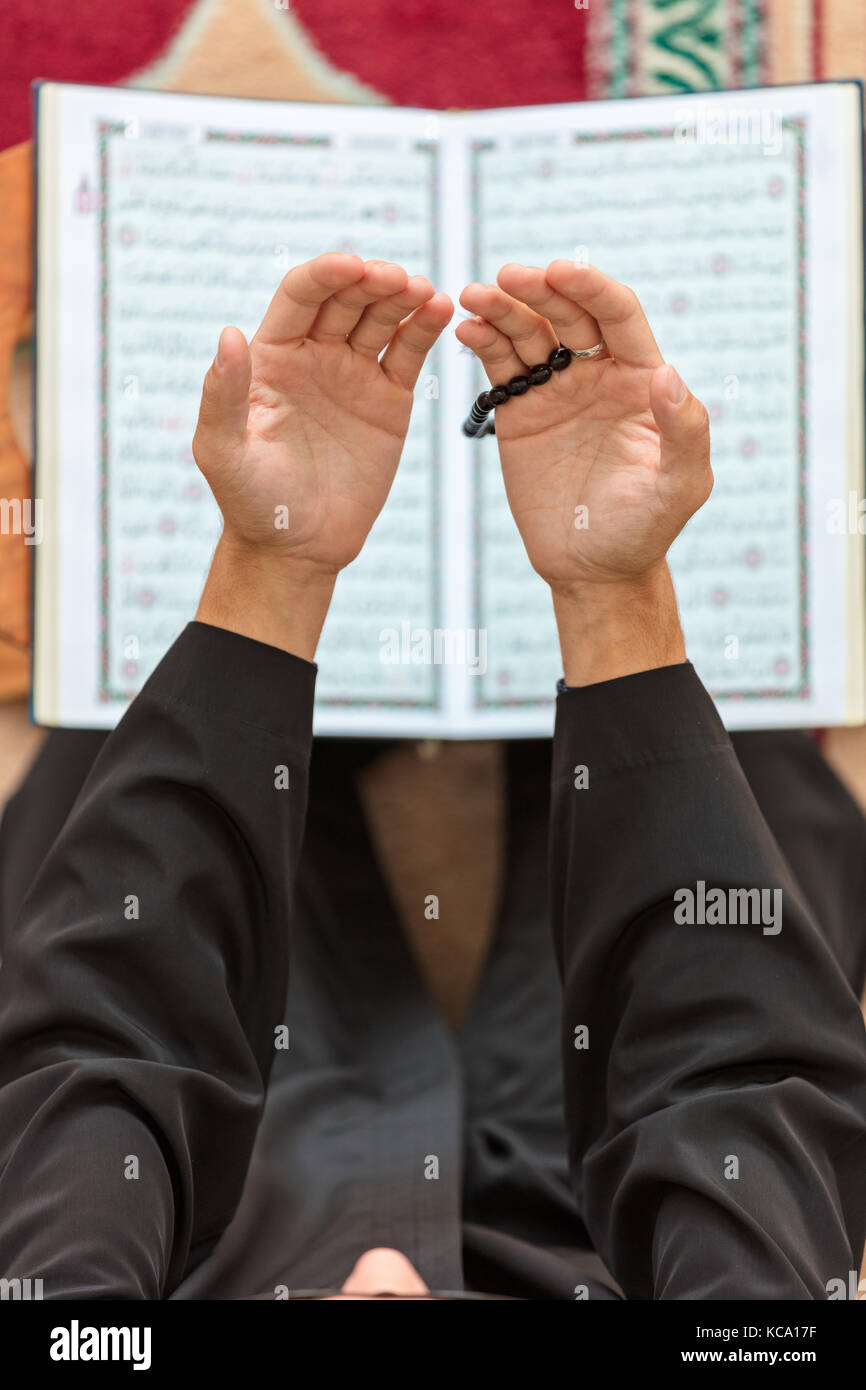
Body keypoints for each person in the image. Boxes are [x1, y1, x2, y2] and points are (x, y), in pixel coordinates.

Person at [0, 253, 864, 1300]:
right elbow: (731, 1082)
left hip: (236, 1243)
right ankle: (516, 669)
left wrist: (271, 573)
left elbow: (104, 1048)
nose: (384, 1285)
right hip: (568, 1244)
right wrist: (615, 595)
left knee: (110, 753)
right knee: (741, 769)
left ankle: (346, 687)